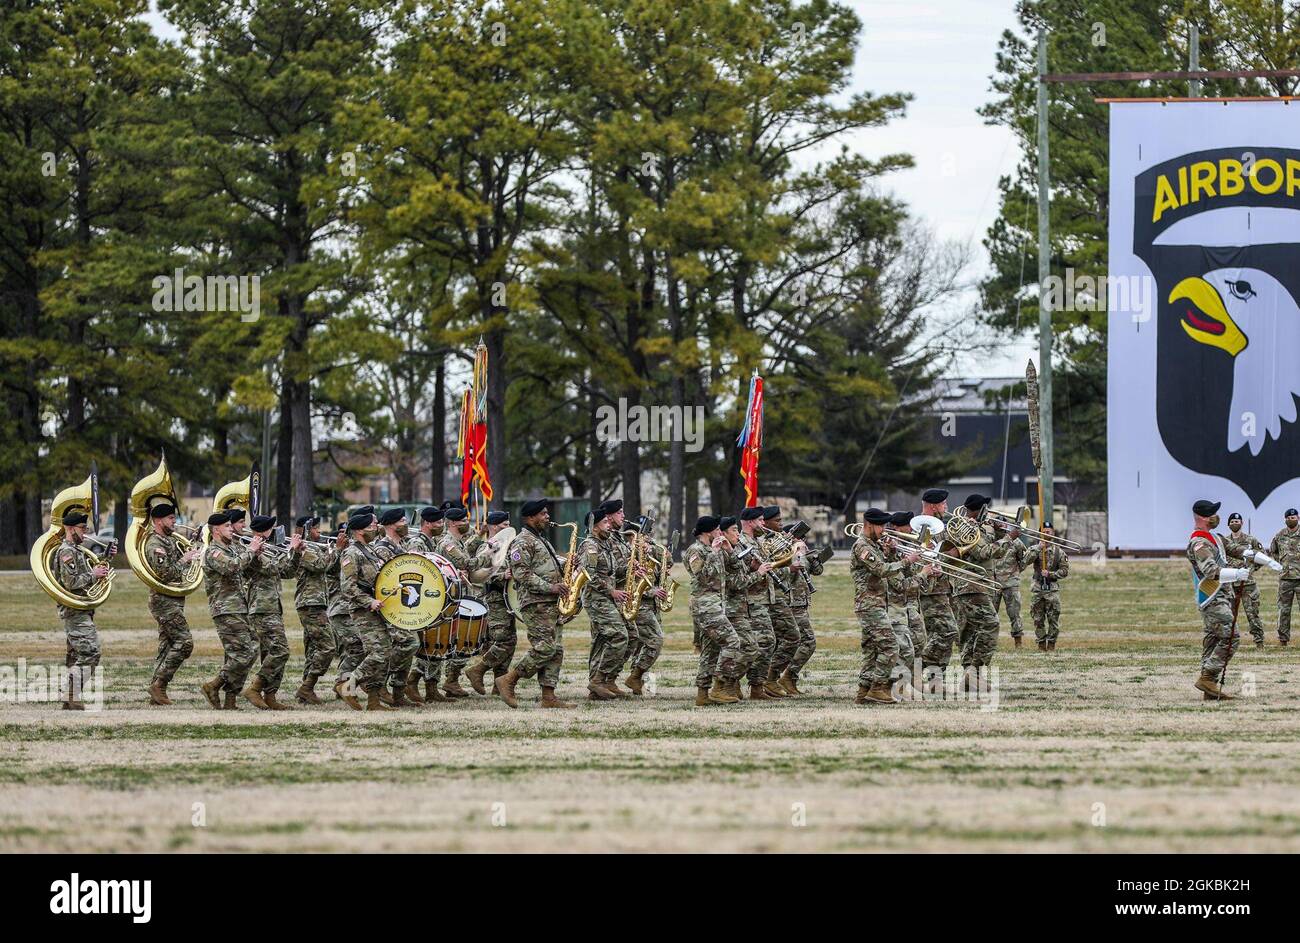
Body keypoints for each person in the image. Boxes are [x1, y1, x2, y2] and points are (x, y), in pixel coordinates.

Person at [494, 499, 575, 709]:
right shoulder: (522, 542)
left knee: (556, 649)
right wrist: (551, 587)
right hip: (536, 602)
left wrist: (569, 563)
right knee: (545, 648)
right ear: (531, 517)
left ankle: (549, 697)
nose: (548, 517)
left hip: (550, 602)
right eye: (543, 514)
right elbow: (522, 574)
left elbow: (547, 564)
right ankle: (509, 679)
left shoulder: (540, 539)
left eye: (547, 513)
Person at [339, 510, 408, 711]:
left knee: (384, 652)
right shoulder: (352, 553)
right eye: (371, 526)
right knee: (378, 653)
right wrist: (369, 601)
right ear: (360, 530)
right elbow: (348, 587)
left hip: (377, 609)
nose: (375, 529)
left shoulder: (368, 550)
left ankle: (374, 700)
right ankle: (348, 685)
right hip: (363, 610)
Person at [1187, 499, 1248, 700]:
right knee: (1231, 636)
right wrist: (1237, 574)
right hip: (1212, 596)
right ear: (1202, 517)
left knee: (1213, 639)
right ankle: (1208, 677)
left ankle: (1209, 689)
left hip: (1222, 595)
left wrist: (1256, 556)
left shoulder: (1214, 537)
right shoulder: (1199, 542)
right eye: (1212, 513)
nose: (1216, 517)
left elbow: (1235, 549)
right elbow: (1211, 571)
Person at [686, 515, 748, 705]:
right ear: (707, 532)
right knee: (732, 641)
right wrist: (714, 553)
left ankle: (702, 694)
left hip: (716, 604)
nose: (720, 534)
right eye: (717, 530)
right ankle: (720, 685)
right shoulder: (695, 551)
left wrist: (730, 551)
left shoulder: (718, 548)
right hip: (704, 606)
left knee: (711, 651)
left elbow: (737, 568)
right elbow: (703, 576)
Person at [52, 510, 110, 710]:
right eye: (82, 528)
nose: (85, 532)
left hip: (81, 609)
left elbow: (84, 573)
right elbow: (71, 582)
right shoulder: (66, 552)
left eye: (85, 528)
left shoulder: (77, 551)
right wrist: (95, 574)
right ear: (70, 528)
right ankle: (67, 692)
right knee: (91, 652)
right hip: (74, 611)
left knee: (75, 656)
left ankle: (70, 698)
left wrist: (104, 559)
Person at [241, 514, 301, 710]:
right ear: (262, 531)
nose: (274, 532)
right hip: (261, 608)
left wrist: (297, 553)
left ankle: (271, 696)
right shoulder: (254, 549)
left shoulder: (267, 548)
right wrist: (290, 549)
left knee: (271, 653)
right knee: (280, 651)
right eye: (271, 529)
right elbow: (272, 567)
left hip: (272, 607)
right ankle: (255, 688)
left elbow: (287, 572)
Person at [851, 508, 910, 705]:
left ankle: (863, 691)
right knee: (890, 646)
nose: (884, 530)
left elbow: (885, 568)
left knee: (872, 650)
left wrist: (892, 553)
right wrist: (906, 560)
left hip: (876, 604)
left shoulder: (874, 545)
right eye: (881, 526)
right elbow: (882, 570)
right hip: (869, 605)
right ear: (869, 525)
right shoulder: (862, 546)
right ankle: (878, 688)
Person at [199, 511, 257, 711]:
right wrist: (252, 551)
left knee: (248, 651)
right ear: (216, 530)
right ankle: (213, 685)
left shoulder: (232, 548)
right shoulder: (213, 552)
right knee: (243, 654)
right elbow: (232, 567)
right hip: (225, 609)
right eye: (227, 526)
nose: (232, 529)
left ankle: (230, 700)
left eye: (231, 526)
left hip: (239, 607)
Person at [143, 502, 199, 705]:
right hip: (163, 600)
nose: (174, 521)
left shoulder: (168, 541)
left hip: (173, 599)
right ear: (158, 521)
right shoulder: (155, 544)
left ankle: (156, 690)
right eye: (170, 518)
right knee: (185, 643)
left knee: (167, 646)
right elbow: (165, 573)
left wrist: (191, 553)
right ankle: (159, 685)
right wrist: (185, 560)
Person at [436, 505, 494, 697]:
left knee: (460, 641)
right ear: (452, 523)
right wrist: (488, 555)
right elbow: (466, 563)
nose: (466, 523)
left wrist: (481, 535)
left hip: (459, 595)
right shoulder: (448, 544)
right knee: (456, 640)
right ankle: (441, 682)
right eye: (462, 521)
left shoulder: (457, 541)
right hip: (451, 598)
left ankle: (451, 681)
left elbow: (467, 549)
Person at [949, 494, 1000, 690]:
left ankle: (969, 678)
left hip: (975, 585)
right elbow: (983, 553)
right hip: (972, 585)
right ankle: (974, 671)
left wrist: (1000, 534)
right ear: (980, 510)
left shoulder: (979, 528)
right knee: (990, 624)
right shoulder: (968, 528)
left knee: (970, 632)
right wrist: (1007, 540)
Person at [464, 510, 518, 695]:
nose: (508, 527)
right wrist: (503, 575)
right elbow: (478, 576)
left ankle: (498, 684)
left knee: (508, 641)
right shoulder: (486, 547)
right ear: (494, 526)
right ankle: (477, 671)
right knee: (504, 641)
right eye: (504, 525)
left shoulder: (507, 545)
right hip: (494, 599)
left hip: (507, 601)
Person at [578, 507, 630, 700]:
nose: (609, 525)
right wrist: (611, 591)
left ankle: (600, 686)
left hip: (606, 597)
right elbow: (588, 575)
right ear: (594, 527)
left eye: (609, 522)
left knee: (604, 640)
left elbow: (611, 570)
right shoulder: (590, 546)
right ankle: (599, 679)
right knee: (619, 635)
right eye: (605, 523)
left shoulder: (605, 544)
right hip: (596, 598)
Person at [737, 506, 786, 699]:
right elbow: (737, 572)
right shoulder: (741, 543)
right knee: (763, 643)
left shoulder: (758, 541)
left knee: (765, 642)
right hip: (752, 600)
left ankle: (757, 686)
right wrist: (755, 569)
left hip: (764, 598)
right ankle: (732, 681)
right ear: (750, 522)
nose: (763, 523)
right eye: (760, 520)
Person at [403, 507, 450, 703]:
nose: (441, 526)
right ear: (427, 523)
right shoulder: (417, 543)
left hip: (435, 598)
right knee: (426, 643)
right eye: (438, 523)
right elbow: (413, 571)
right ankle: (412, 682)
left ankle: (432, 687)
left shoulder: (432, 542)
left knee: (436, 642)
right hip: (422, 599)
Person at [291, 515, 339, 704]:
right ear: (305, 530)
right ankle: (307, 687)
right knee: (328, 648)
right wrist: (337, 550)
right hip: (310, 603)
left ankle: (306, 691)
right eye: (316, 528)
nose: (319, 531)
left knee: (313, 650)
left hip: (316, 602)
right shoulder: (304, 549)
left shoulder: (313, 547)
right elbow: (320, 566)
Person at [917, 488, 960, 691]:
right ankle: (913, 669)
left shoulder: (940, 526)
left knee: (941, 634)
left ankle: (936, 681)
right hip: (929, 590)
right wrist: (948, 555)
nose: (946, 507)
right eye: (944, 504)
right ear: (934, 506)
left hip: (943, 587)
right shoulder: (920, 527)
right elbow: (922, 555)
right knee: (947, 632)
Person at [759, 506, 804, 696]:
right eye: (777, 521)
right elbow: (768, 569)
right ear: (766, 522)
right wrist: (790, 569)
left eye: (780, 520)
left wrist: (800, 552)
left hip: (784, 597)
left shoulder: (782, 540)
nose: (781, 524)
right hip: (772, 597)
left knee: (780, 640)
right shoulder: (764, 543)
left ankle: (767, 680)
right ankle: (769, 679)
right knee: (791, 637)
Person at [781, 521, 824, 695]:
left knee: (794, 642)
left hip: (802, 603)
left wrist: (812, 557)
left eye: (803, 538)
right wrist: (797, 555)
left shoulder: (801, 552)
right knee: (808, 642)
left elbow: (817, 571)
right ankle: (785, 677)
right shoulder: (783, 554)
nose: (802, 540)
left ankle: (784, 679)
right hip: (791, 604)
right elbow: (787, 576)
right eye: (799, 537)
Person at [1222, 513, 1267, 647]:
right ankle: (1228, 641)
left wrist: (1251, 570)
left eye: (1237, 521)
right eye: (1232, 521)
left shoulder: (1250, 540)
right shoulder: (1224, 541)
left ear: (1241, 523)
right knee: (1228, 615)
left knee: (1252, 613)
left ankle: (1259, 641)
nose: (1235, 523)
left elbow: (1262, 556)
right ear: (1228, 524)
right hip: (1229, 583)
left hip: (1247, 584)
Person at [991, 521, 1033, 647]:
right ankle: (990, 642)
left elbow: (1022, 562)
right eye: (998, 524)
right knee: (990, 614)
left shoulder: (1017, 543)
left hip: (1011, 583)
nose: (1001, 527)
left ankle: (1018, 642)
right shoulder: (990, 541)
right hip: (992, 583)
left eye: (1002, 524)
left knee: (1015, 613)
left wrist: (1014, 574)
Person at [1030, 525, 1070, 651]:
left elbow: (1064, 571)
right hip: (1037, 588)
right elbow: (1025, 561)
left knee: (1053, 617)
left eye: (1049, 532)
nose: (1046, 534)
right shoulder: (1034, 549)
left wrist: (1051, 574)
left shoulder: (1059, 552)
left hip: (1052, 588)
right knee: (1037, 618)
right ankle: (1041, 644)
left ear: (1053, 533)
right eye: (1044, 532)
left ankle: (1051, 644)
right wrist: (1038, 548)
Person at [1269, 508, 1300, 647]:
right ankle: (1283, 640)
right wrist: (1282, 564)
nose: (1291, 519)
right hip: (1285, 579)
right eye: (1289, 518)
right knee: (1284, 610)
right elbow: (1273, 551)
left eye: (1293, 517)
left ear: (1298, 518)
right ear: (1285, 519)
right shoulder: (1279, 535)